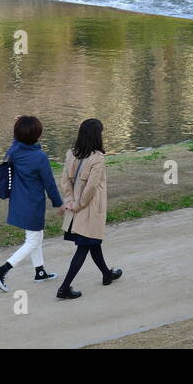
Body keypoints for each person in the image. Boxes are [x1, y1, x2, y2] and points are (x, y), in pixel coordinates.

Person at [0, 116, 65, 292]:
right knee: (33, 239)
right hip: (32, 204)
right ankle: (2, 270)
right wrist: (59, 204)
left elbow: (18, 140)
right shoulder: (39, 157)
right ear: (37, 135)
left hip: (18, 201)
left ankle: (40, 272)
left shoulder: (14, 150)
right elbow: (49, 184)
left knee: (35, 237)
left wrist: (19, 124)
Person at [54, 118, 122, 301]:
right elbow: (91, 188)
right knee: (85, 245)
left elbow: (64, 181)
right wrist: (77, 205)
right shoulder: (98, 158)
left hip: (76, 206)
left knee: (93, 241)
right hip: (89, 208)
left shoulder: (70, 154)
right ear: (96, 136)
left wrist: (69, 201)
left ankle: (107, 274)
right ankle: (64, 287)